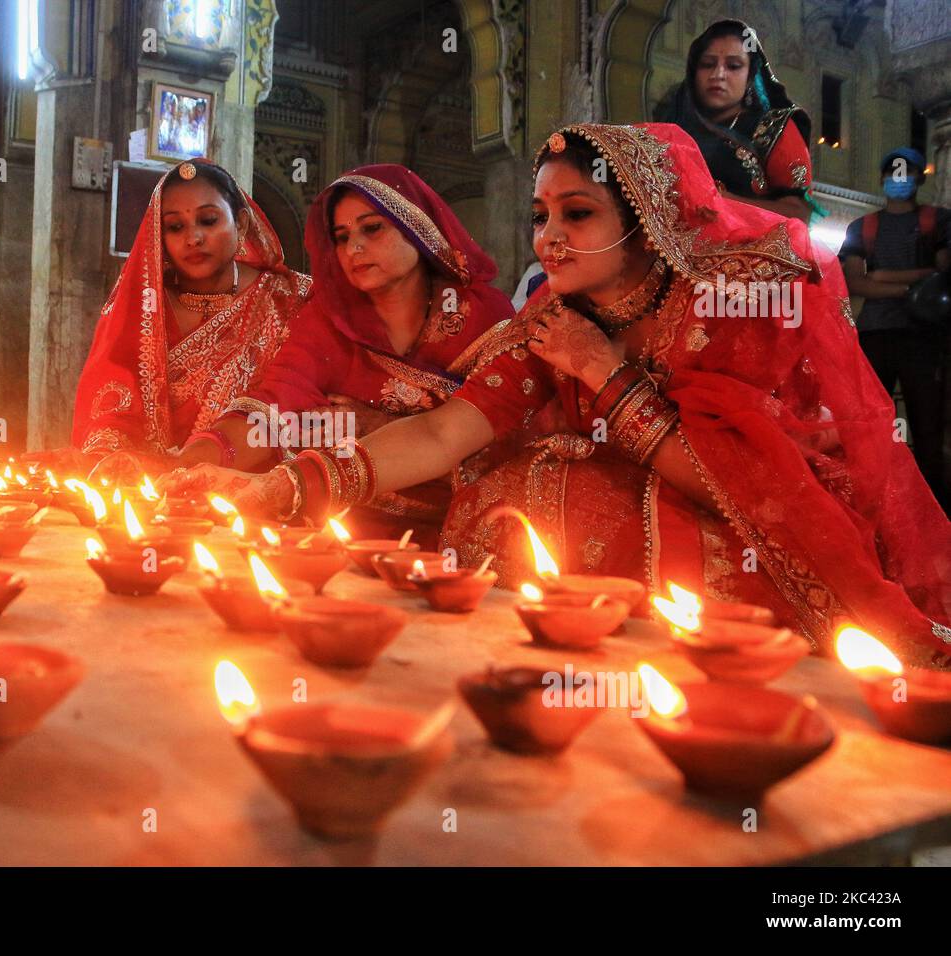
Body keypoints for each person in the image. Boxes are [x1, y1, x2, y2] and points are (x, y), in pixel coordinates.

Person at [164, 123, 951, 669]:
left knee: (570, 489)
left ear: (646, 225)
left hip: (771, 512)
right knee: (517, 484)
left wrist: (606, 377)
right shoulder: (554, 317)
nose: (548, 238)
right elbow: (444, 434)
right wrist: (279, 485)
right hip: (645, 490)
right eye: (540, 216)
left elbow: (737, 481)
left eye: (578, 214)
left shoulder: (727, 303)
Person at [152, 164, 519, 545]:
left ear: (417, 226)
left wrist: (379, 426)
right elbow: (273, 408)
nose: (354, 248)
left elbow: (504, 439)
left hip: (460, 525)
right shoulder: (330, 320)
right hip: (345, 517)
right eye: (342, 237)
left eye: (371, 228)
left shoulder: (478, 316)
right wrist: (192, 462)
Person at [53, 159, 310, 477]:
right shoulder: (143, 306)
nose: (193, 238)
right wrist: (114, 464)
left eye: (208, 219)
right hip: (148, 497)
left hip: (251, 496)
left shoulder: (289, 300)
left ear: (241, 224)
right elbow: (108, 407)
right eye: (175, 226)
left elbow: (300, 407)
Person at [839, 147, 951, 507]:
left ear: (919, 177)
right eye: (894, 173)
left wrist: (883, 277)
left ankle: (930, 510)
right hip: (880, 335)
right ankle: (877, 503)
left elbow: (944, 274)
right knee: (872, 426)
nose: (899, 179)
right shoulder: (862, 227)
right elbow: (855, 283)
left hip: (922, 338)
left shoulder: (940, 220)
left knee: (928, 428)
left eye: (905, 173)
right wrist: (914, 286)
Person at [663, 18, 823, 224]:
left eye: (733, 66)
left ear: (750, 77)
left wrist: (726, 203)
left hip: (750, 251)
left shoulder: (774, 128)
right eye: (707, 64)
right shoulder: (672, 128)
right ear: (693, 73)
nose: (718, 74)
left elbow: (798, 213)